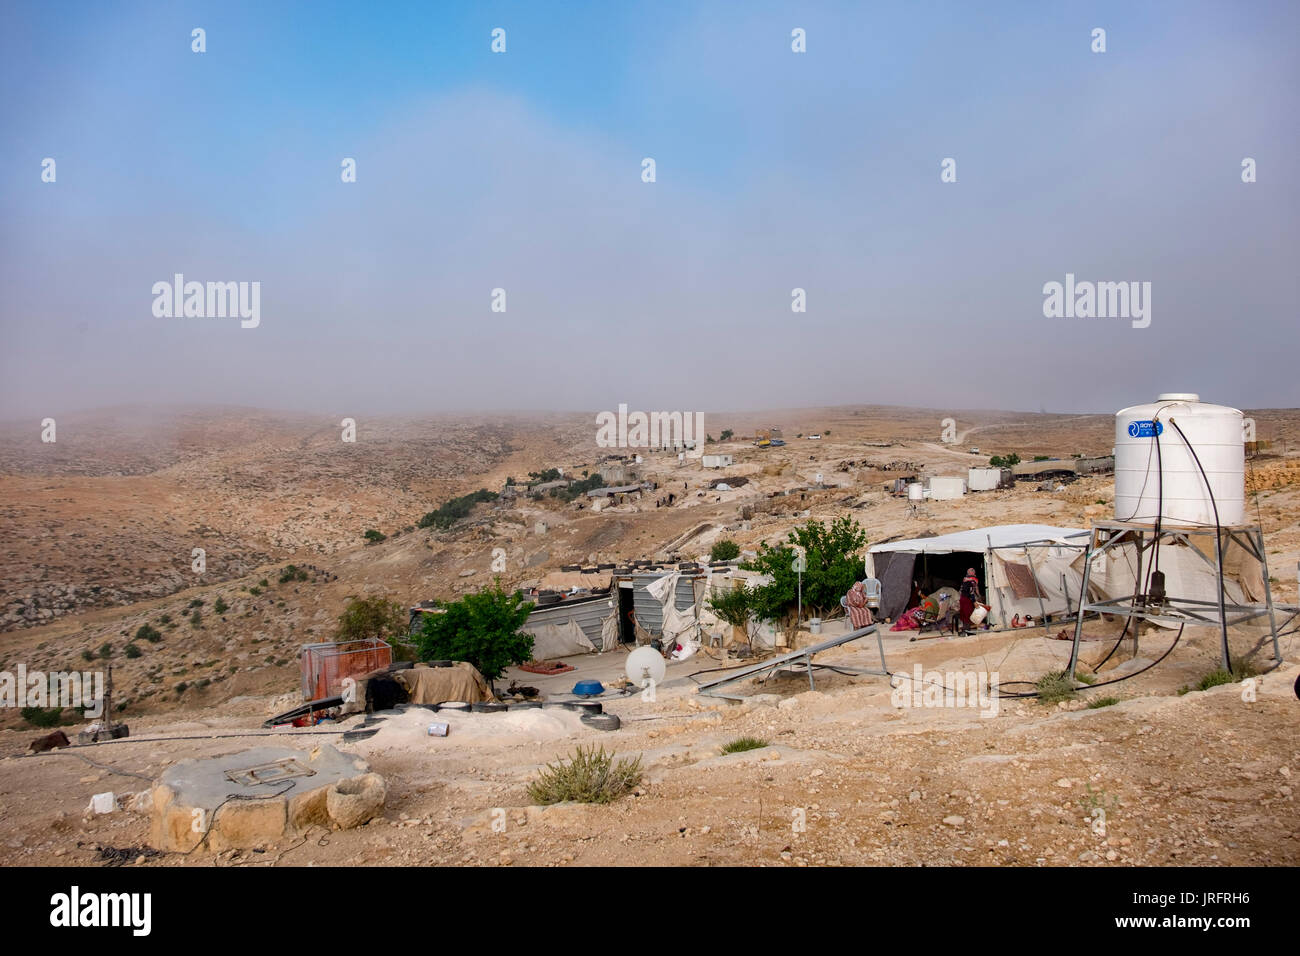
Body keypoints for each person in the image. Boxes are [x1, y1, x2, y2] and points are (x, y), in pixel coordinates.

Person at [958, 568, 982, 634]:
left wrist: (978, 595)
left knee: (964, 614)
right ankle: (967, 631)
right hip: (966, 599)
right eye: (973, 572)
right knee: (967, 615)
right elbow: (971, 591)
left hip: (962, 599)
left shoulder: (967, 579)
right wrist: (974, 601)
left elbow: (974, 588)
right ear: (972, 573)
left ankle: (965, 630)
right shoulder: (971, 581)